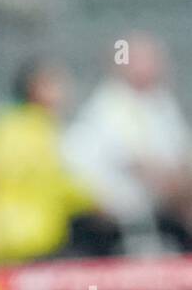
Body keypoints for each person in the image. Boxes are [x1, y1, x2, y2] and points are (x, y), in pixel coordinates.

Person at [0, 59, 120, 267]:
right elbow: (53, 177)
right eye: (55, 84)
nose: (64, 92)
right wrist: (93, 201)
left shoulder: (4, 124)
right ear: (35, 88)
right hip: (30, 233)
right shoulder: (36, 127)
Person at [63, 33, 192, 251]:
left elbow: (181, 155)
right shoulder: (110, 107)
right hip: (114, 225)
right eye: (143, 59)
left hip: (157, 216)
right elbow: (142, 166)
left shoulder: (160, 103)